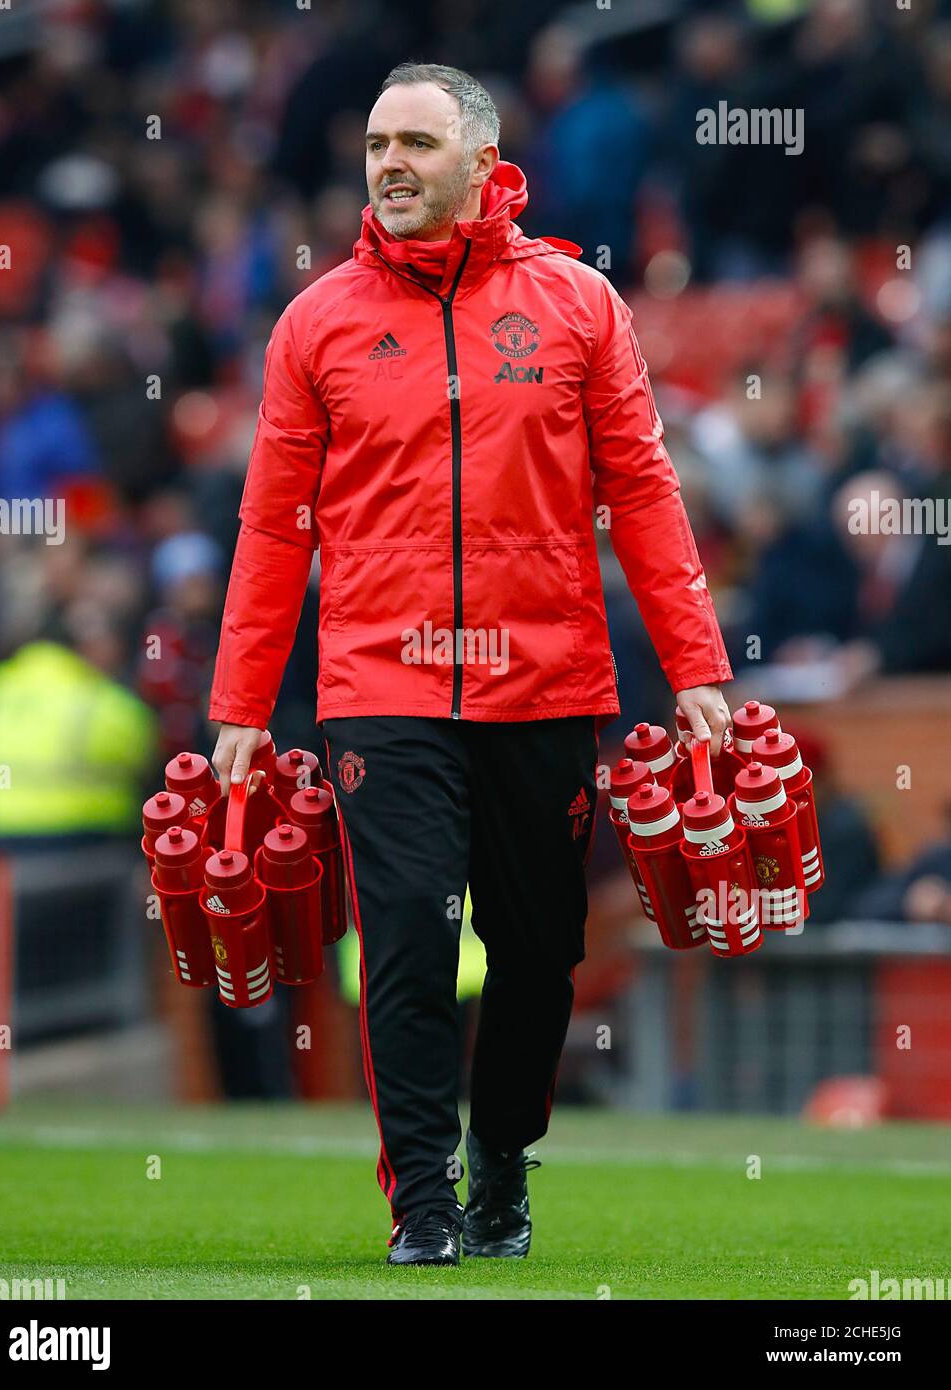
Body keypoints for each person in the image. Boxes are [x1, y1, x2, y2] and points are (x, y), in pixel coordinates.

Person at [209, 63, 733, 1267]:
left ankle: (501, 1150)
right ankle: (424, 1201)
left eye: (415, 144)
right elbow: (270, 522)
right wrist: (240, 701)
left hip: (543, 679)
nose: (388, 163)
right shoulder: (315, 322)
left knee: (540, 949)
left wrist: (694, 663)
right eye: (376, 144)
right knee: (401, 938)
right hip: (380, 685)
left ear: (481, 162)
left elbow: (643, 493)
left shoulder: (583, 306)